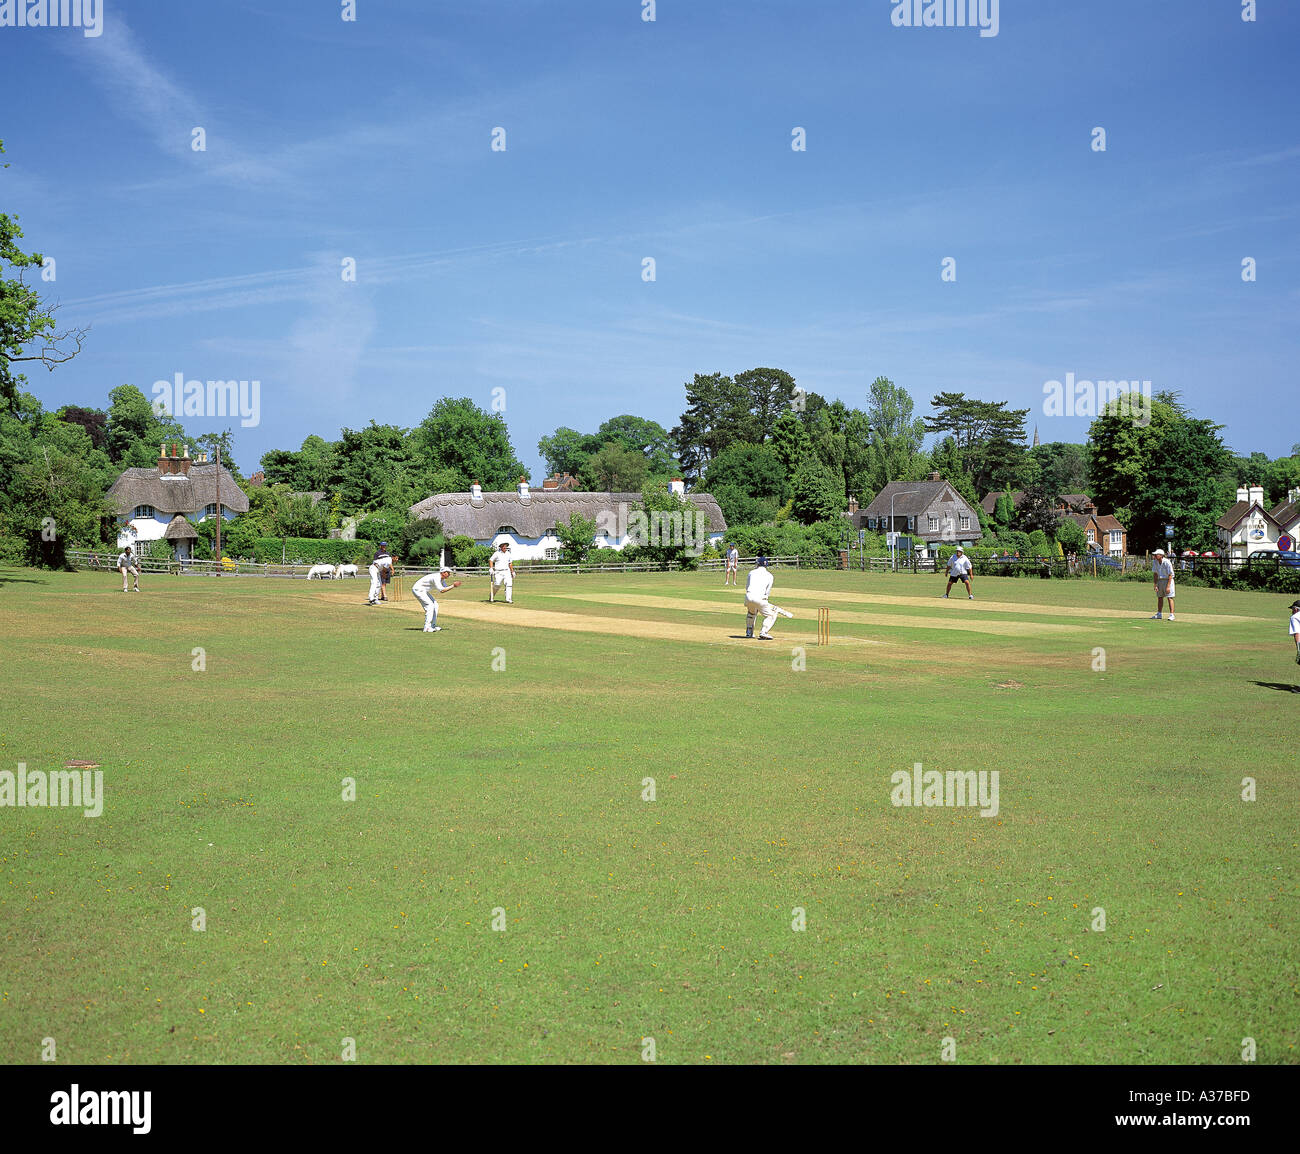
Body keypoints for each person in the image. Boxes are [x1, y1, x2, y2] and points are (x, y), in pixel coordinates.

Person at [743, 555, 793, 640]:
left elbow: (747, 586)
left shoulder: (751, 572)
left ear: (757, 564)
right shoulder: (770, 576)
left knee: (751, 613)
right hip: (761, 598)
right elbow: (767, 592)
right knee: (772, 615)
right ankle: (764, 632)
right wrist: (763, 601)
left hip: (748, 596)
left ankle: (749, 633)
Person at [411, 568, 462, 632]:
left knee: (435, 605)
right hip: (418, 590)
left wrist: (453, 586)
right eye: (448, 573)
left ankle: (432, 626)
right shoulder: (436, 578)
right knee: (430, 606)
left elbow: (445, 588)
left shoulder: (442, 579)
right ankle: (427, 627)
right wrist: (453, 586)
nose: (449, 574)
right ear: (443, 573)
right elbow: (442, 590)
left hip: (423, 591)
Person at [1150, 548, 1176, 620]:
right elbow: (1155, 574)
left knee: (1169, 597)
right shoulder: (1155, 562)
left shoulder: (1167, 562)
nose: (1154, 556)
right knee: (1160, 597)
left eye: (1156, 554)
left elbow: (1170, 575)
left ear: (1161, 555)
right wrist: (1155, 585)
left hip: (1168, 580)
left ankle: (1172, 615)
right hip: (1160, 580)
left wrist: (1168, 587)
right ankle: (1159, 614)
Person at [1288, 600, 1300, 665]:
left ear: (1296, 609)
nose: (1292, 611)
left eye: (1292, 609)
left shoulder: (1295, 617)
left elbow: (1297, 633)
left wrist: (1299, 650)